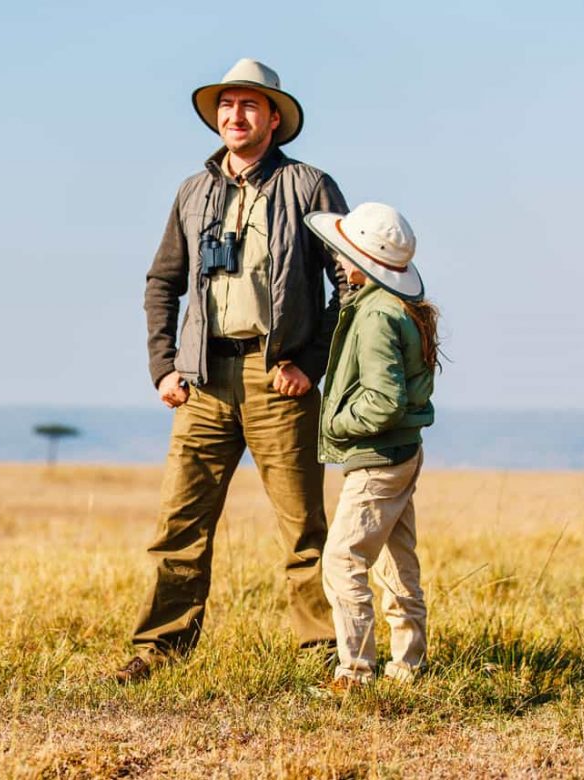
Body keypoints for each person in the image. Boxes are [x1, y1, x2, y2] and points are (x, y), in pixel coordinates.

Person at [116, 58, 349, 684]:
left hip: (279, 381)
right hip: (203, 382)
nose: (234, 115)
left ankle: (326, 652)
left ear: (275, 119)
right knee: (179, 524)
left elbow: (348, 283)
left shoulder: (310, 185)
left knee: (304, 529)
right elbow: (162, 283)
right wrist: (164, 366)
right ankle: (159, 650)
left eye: (249, 105)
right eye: (226, 105)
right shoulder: (194, 192)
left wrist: (309, 362)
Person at [303, 201, 437, 689]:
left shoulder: (376, 316)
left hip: (377, 458)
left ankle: (354, 673)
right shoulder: (392, 307)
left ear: (364, 260)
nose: (338, 260)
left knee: (342, 560)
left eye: (344, 252)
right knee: (396, 561)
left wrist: (336, 424)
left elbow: (384, 400)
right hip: (402, 452)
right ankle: (408, 666)